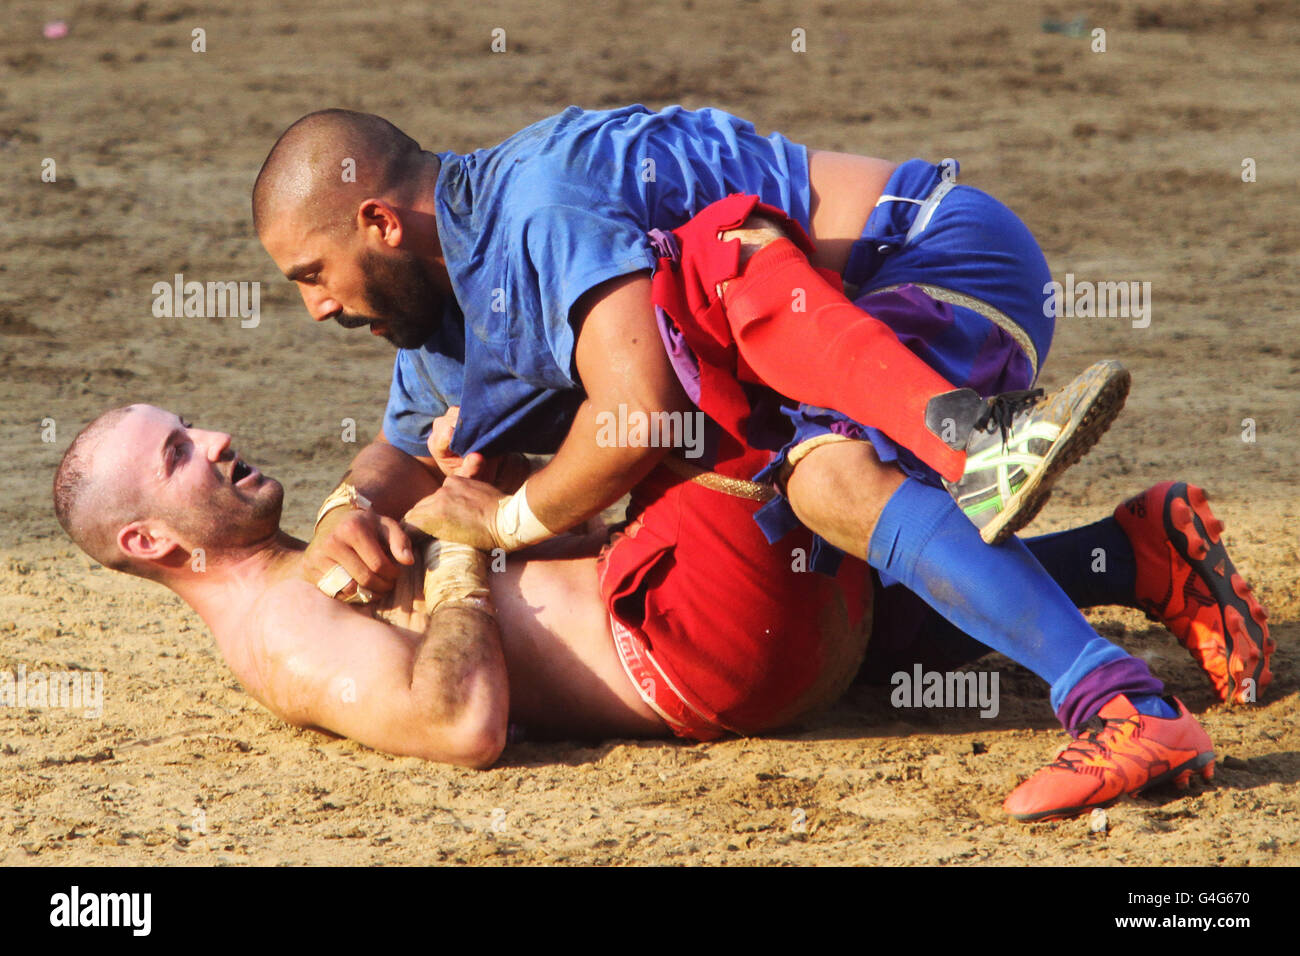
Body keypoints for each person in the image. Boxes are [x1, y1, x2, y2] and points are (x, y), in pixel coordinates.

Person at [53, 404, 1272, 820]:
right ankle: (1103, 681)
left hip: (751, 638)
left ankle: (1129, 549)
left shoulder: (307, 566)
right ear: (149, 539)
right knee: (774, 449)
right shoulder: (279, 632)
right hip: (697, 651)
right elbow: (461, 717)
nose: (212, 435)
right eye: (177, 449)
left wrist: (505, 508)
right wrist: (462, 548)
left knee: (875, 598)